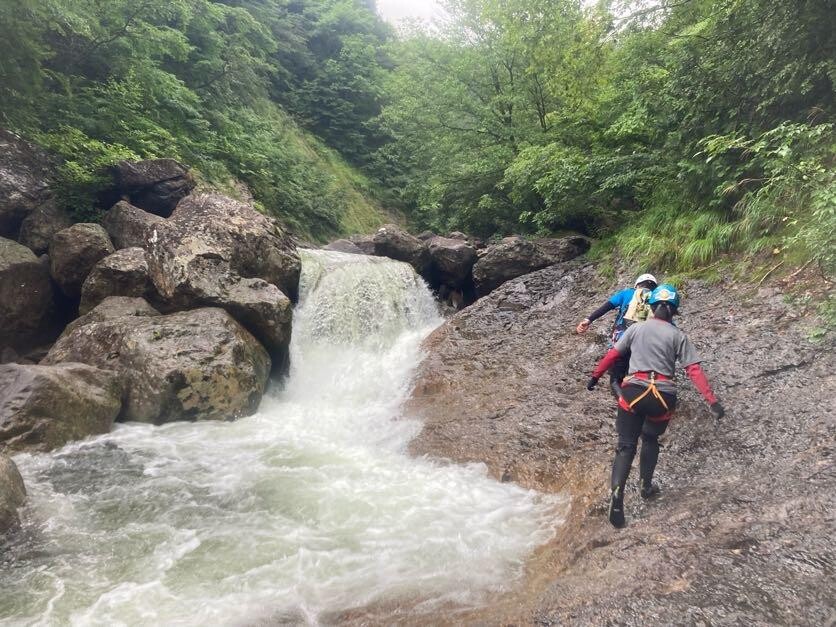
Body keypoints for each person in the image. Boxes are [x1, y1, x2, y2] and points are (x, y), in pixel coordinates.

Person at [585, 284, 725, 528]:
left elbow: (612, 356)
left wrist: (595, 376)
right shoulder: (678, 336)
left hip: (633, 391)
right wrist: (712, 401)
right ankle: (645, 486)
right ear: (673, 312)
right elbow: (693, 370)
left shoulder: (637, 328)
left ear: (651, 308)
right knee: (650, 439)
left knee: (625, 446)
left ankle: (617, 498)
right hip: (663, 396)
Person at [576, 273, 659, 396]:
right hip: (645, 347)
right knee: (639, 378)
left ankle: (625, 405)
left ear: (637, 285)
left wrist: (588, 320)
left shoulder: (627, 293)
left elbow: (606, 307)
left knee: (615, 380)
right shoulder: (657, 301)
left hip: (622, 340)